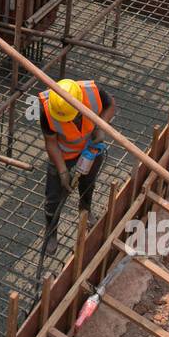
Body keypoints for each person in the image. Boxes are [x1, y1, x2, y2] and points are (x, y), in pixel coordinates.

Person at [38, 78, 116, 256]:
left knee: (88, 183)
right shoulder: (47, 108)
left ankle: (85, 210)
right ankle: (50, 233)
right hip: (63, 155)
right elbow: (50, 143)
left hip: (90, 148)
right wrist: (63, 171)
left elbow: (111, 104)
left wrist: (100, 127)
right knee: (53, 198)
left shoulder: (92, 92)